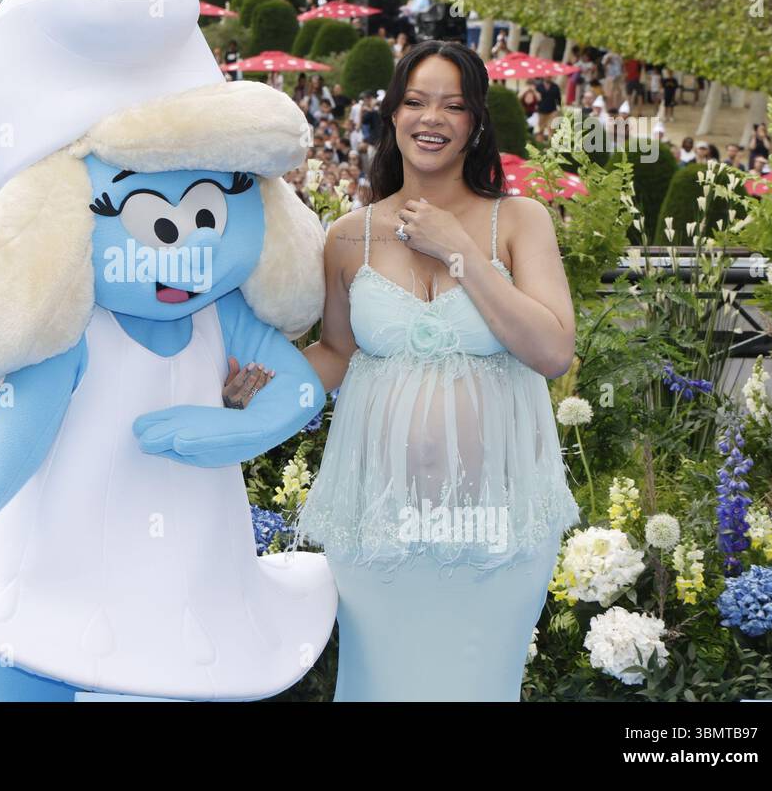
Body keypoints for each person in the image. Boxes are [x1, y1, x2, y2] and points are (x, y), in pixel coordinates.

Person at [242, 40, 580, 701]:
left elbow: (552, 350)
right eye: (418, 101)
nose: (434, 117)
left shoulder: (519, 222)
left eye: (454, 105)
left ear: (476, 123)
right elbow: (336, 354)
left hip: (497, 530)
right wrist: (256, 383)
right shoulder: (347, 236)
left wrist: (461, 255)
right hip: (379, 528)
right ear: (391, 114)